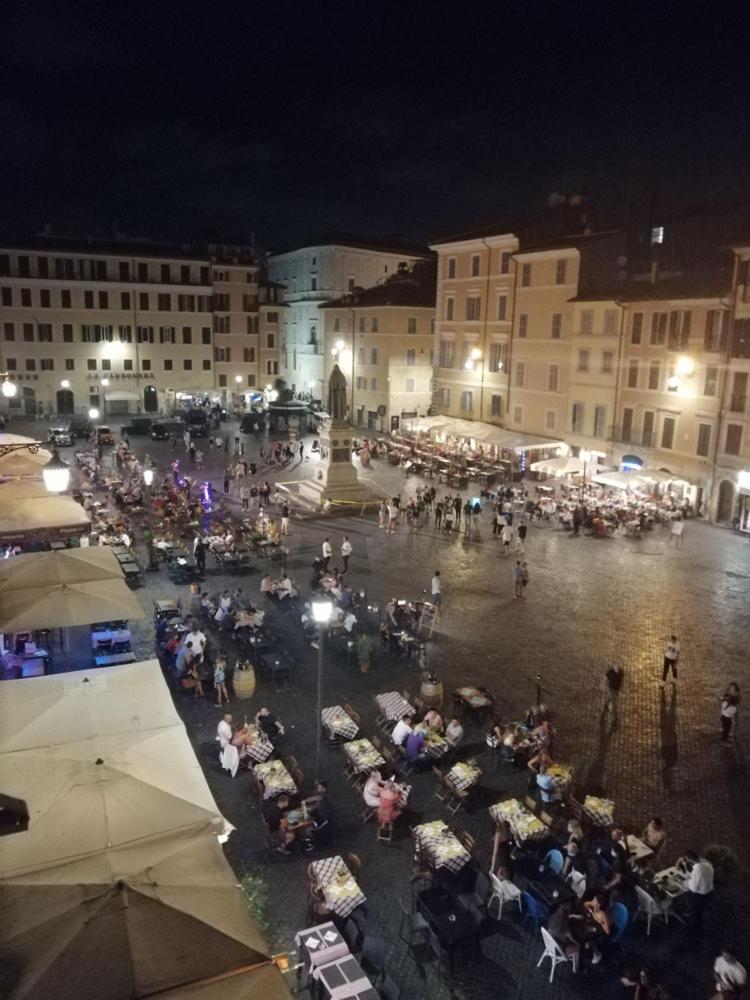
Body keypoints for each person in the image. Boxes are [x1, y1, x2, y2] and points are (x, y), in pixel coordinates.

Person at [685, 849, 714, 939]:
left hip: (700, 896)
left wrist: (688, 880)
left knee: (697, 915)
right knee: (701, 912)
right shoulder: (707, 864)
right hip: (710, 891)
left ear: (689, 860)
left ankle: (697, 933)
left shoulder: (697, 870)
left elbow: (693, 889)